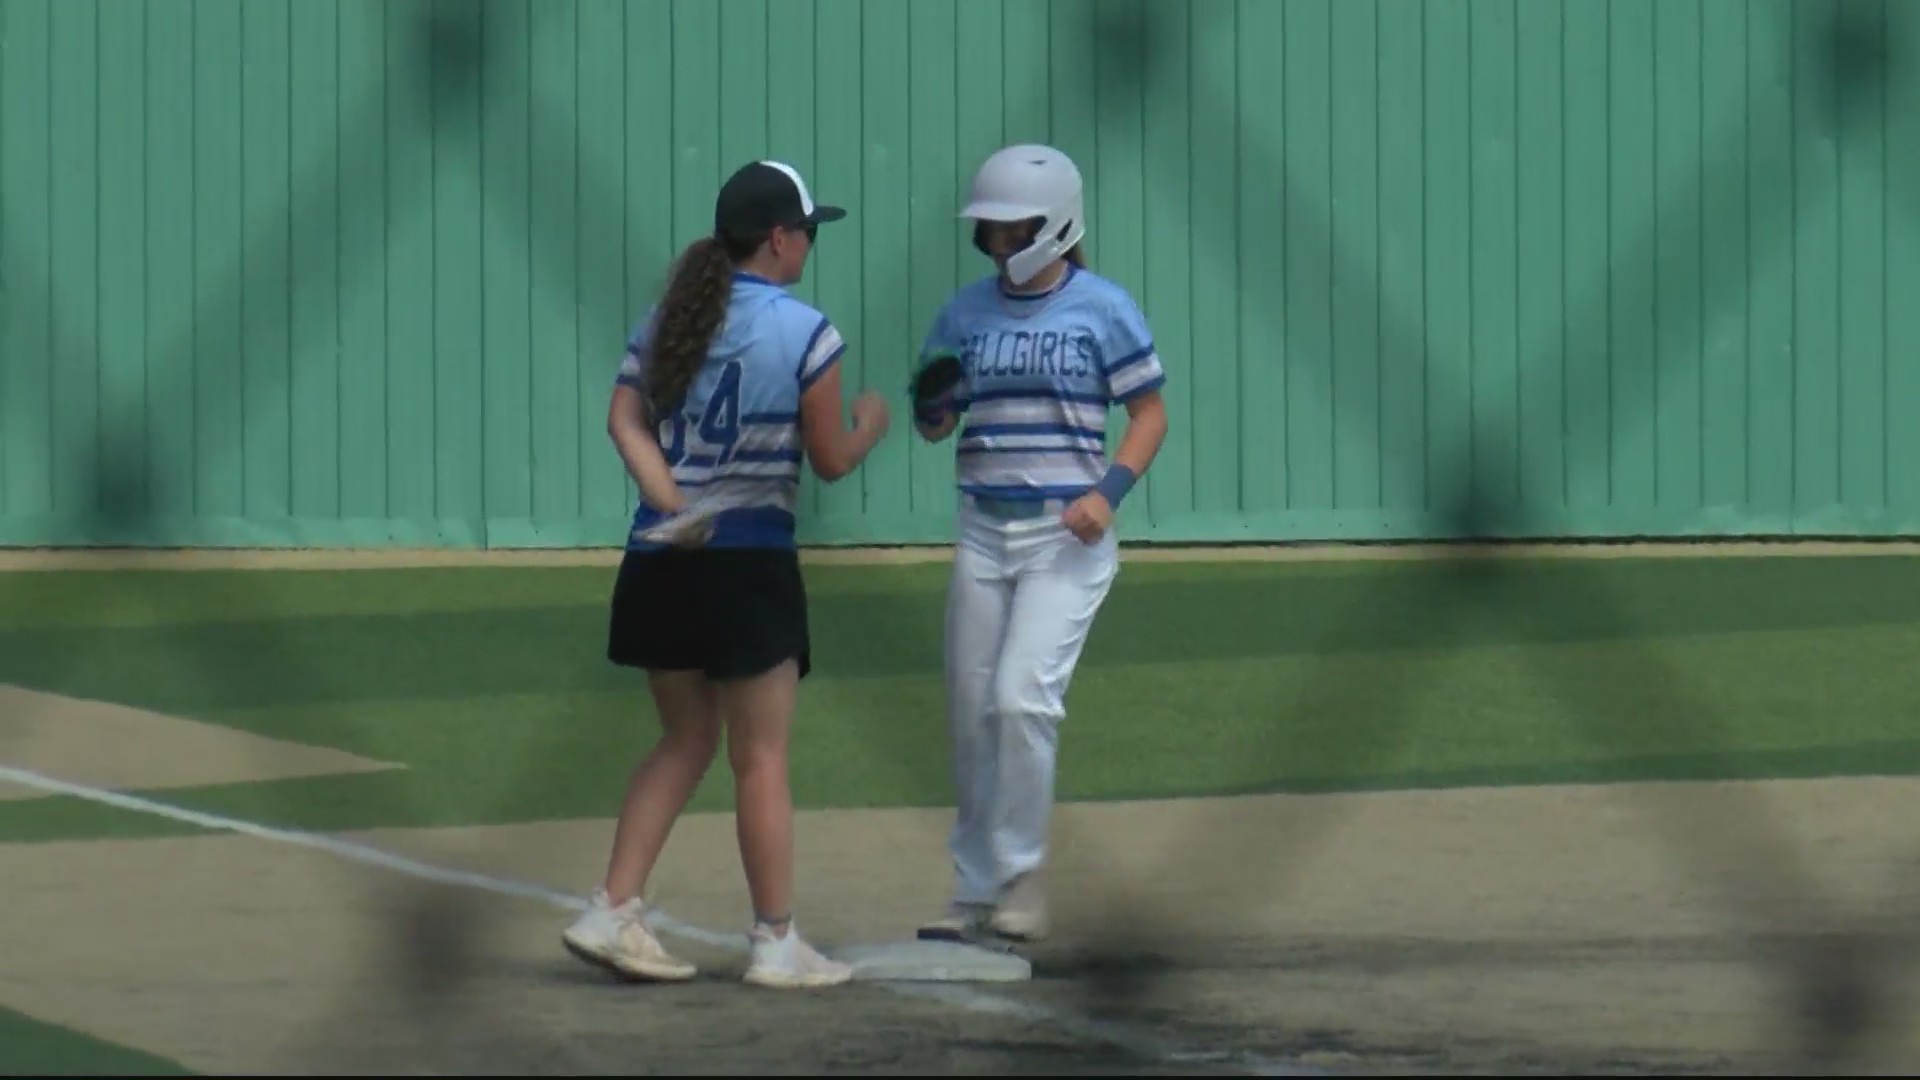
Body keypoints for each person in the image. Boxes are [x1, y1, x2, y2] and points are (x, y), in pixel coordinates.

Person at [561, 159, 891, 989]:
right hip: (749, 563)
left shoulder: (669, 319)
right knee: (761, 755)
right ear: (778, 238)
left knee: (683, 739)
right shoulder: (806, 331)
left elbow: (623, 421)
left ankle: (611, 907)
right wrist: (870, 425)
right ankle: (775, 940)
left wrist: (672, 502)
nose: (809, 245)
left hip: (661, 556)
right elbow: (829, 460)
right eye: (807, 232)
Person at [908, 144, 1169, 945]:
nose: (996, 240)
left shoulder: (1103, 308)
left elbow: (1149, 413)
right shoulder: (963, 312)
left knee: (1020, 699)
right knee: (970, 713)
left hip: (1064, 536)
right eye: (988, 228)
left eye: (1009, 226)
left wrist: (1108, 493)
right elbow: (938, 423)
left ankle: (1022, 876)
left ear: (1052, 224)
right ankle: (973, 886)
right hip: (983, 531)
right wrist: (931, 406)